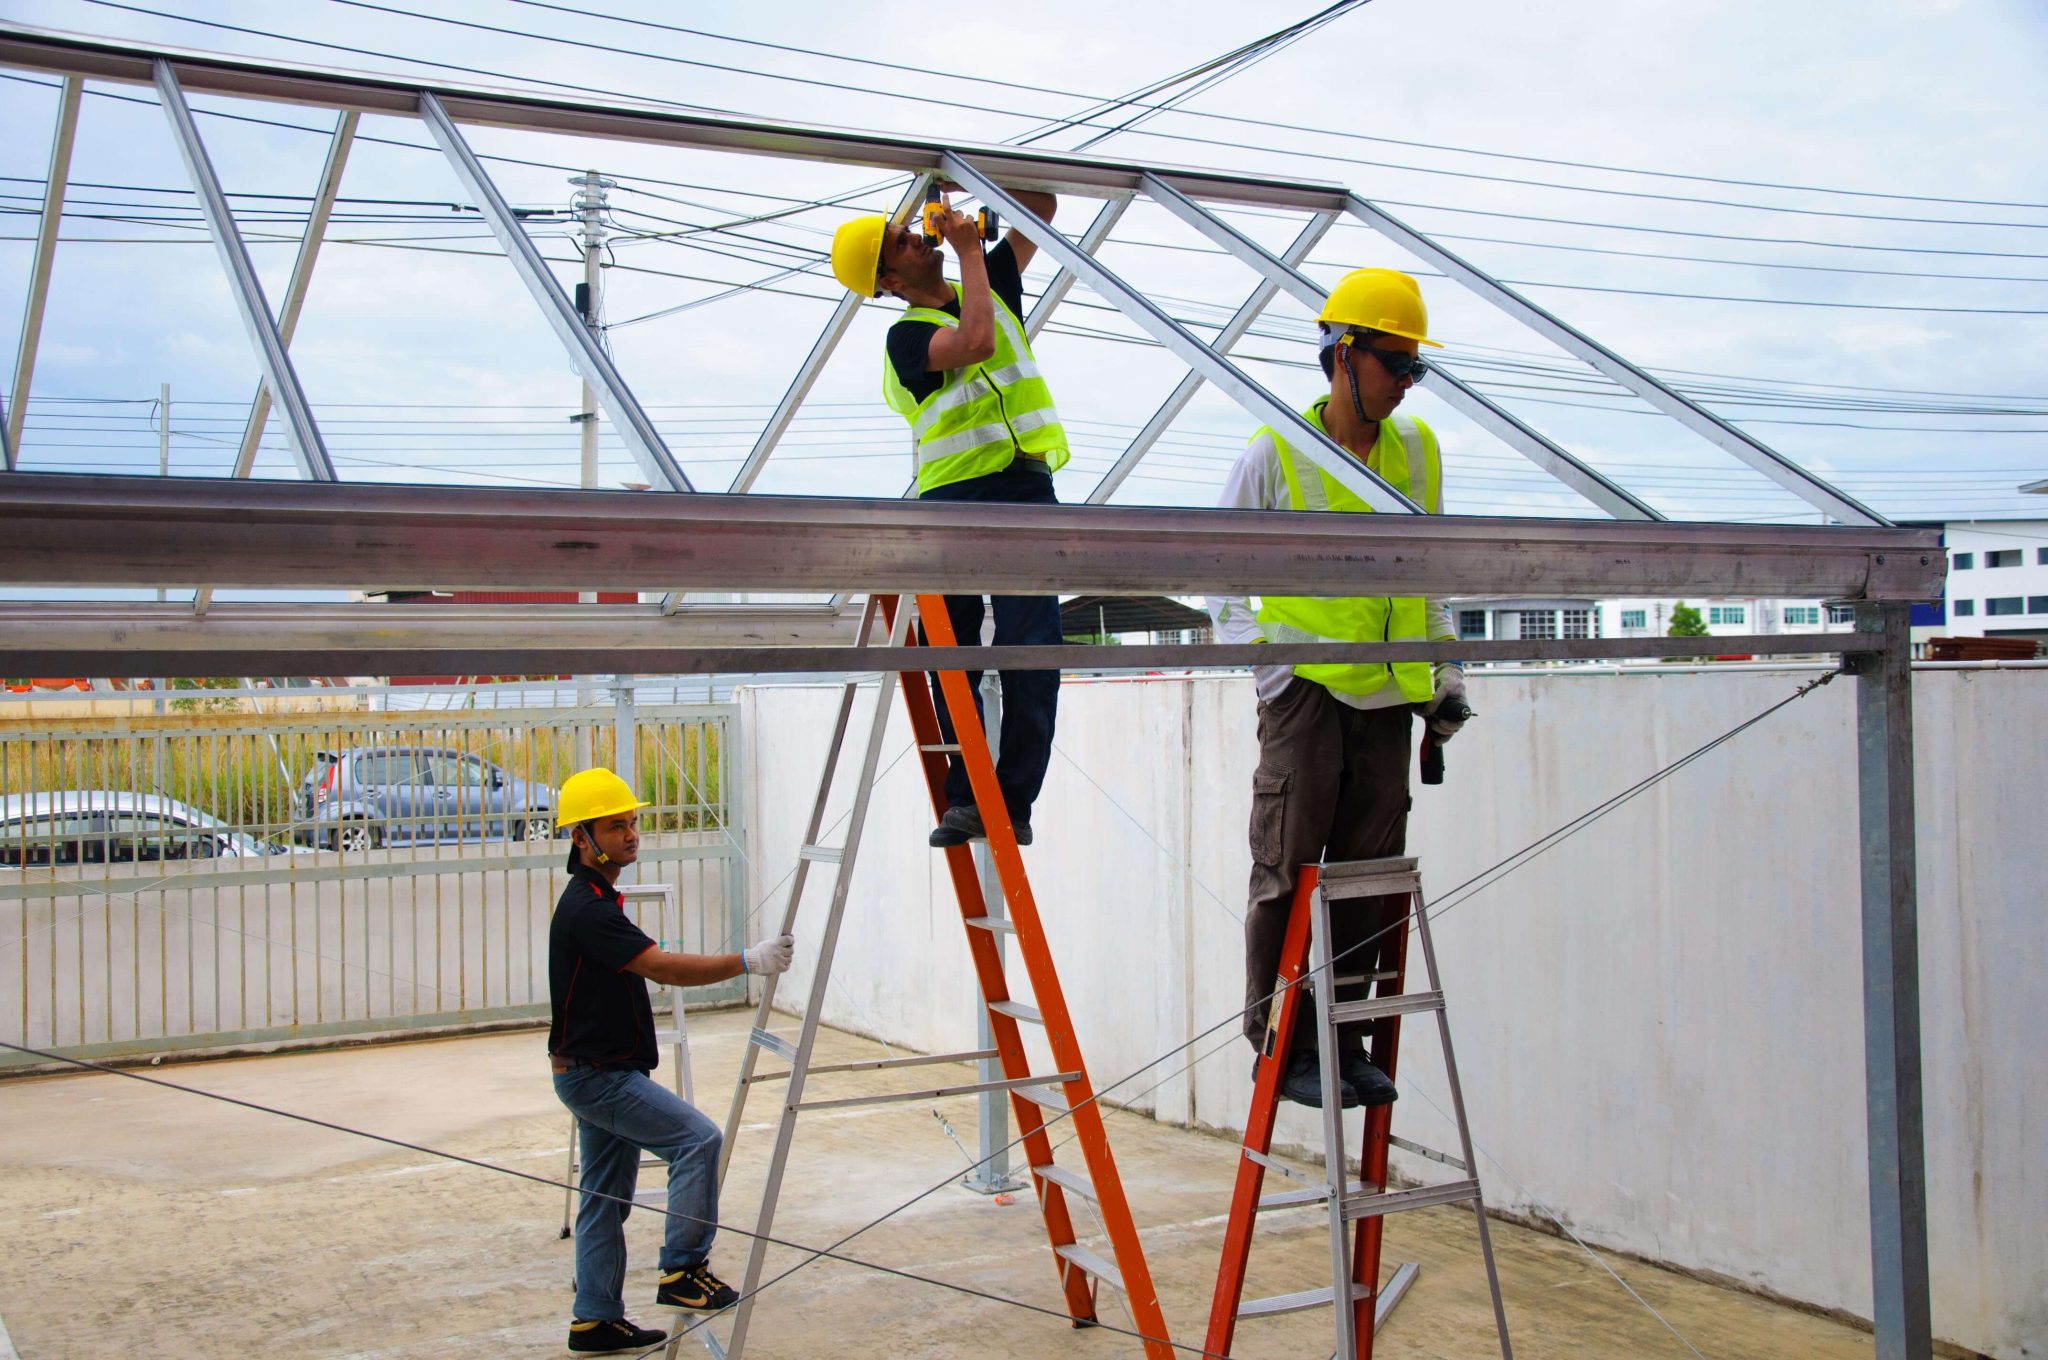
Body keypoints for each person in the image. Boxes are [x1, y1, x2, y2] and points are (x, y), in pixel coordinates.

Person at [1206, 268, 1470, 1109]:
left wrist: (1443, 667)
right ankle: (1281, 1045)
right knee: (1287, 872)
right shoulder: (1275, 451)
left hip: (1389, 700)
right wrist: (1274, 674)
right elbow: (1217, 577)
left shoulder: (1418, 449)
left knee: (1367, 882)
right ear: (1344, 356)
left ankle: (1344, 1039)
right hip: (1309, 699)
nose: (1408, 381)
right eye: (1397, 362)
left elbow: (1431, 569)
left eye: (1416, 366)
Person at [829, 186, 1069, 849]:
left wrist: (964, 188)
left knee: (1033, 648)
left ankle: (1011, 800)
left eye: (909, 228)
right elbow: (976, 341)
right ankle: (967, 796)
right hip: (955, 499)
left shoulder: (983, 282)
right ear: (889, 280)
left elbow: (1043, 206)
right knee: (956, 655)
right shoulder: (906, 337)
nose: (914, 237)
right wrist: (967, 249)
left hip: (1024, 488)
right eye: (899, 243)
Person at [548, 767, 794, 1354]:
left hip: (595, 1071)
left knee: (605, 1199)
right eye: (616, 826)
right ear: (582, 838)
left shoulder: (598, 898)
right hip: (598, 1077)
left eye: (633, 823)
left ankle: (595, 1320)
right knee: (697, 1141)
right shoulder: (588, 909)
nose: (631, 834)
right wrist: (747, 962)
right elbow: (660, 966)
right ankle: (683, 1270)